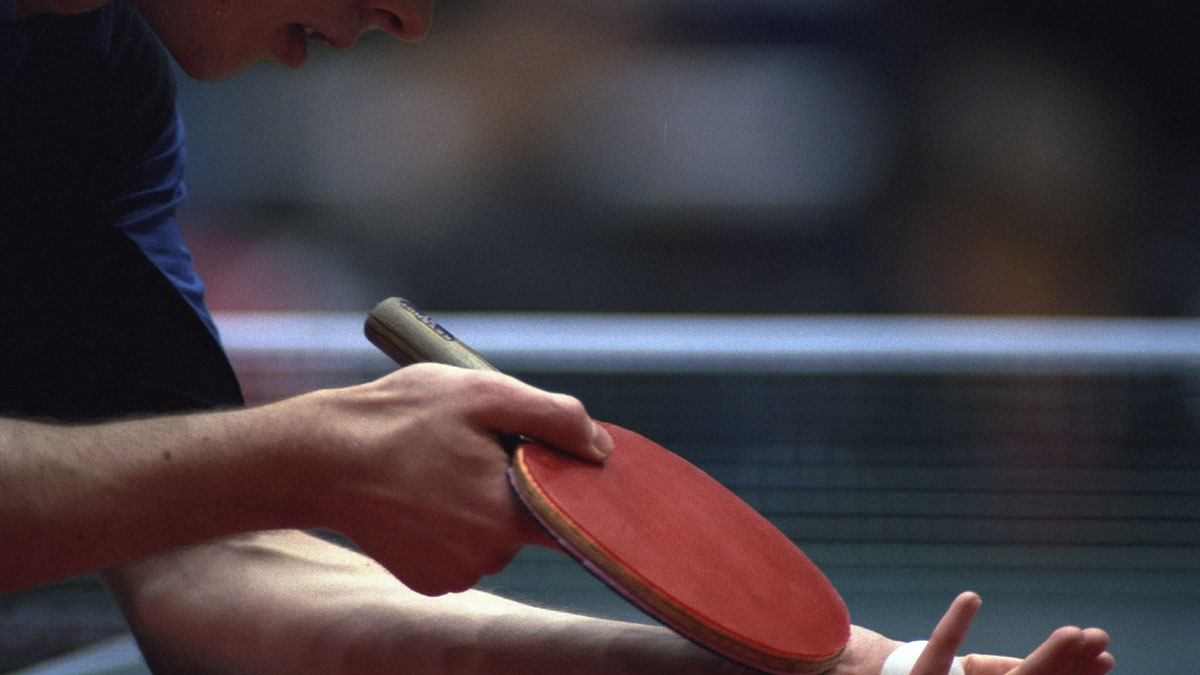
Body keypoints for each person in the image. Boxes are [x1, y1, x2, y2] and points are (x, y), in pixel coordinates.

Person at [0, 0, 1114, 673]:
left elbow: (207, 576)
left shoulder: (97, 90)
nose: (412, 18)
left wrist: (826, 668)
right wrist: (303, 459)